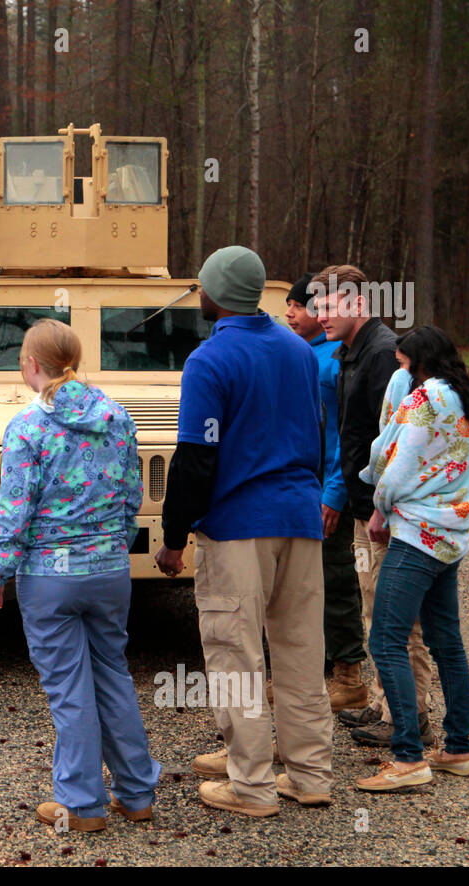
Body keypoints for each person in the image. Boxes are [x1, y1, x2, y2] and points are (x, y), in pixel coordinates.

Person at [155, 246, 333, 817]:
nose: (197, 295)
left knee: (236, 654)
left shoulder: (209, 361)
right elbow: (314, 431)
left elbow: (196, 458)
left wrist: (174, 535)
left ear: (215, 295)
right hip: (300, 519)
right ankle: (310, 775)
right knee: (302, 651)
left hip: (237, 526)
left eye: (201, 286)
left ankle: (251, 784)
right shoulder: (300, 350)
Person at [0, 319, 160, 832]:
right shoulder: (118, 416)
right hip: (108, 570)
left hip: (50, 576)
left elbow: (14, 510)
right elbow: (132, 496)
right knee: (113, 674)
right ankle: (137, 793)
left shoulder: (27, 428)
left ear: (31, 365)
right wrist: (114, 547)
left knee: (69, 687)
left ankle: (80, 804)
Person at [354, 327, 469, 791]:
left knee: (386, 640)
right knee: (445, 640)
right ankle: (458, 748)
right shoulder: (461, 395)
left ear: (416, 361)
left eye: (401, 361)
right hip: (451, 534)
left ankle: (408, 756)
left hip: (416, 534)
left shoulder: (424, 397)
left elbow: (394, 460)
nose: (399, 369)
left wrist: (379, 505)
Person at [313, 265, 435, 747]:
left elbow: (403, 439)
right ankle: (386, 705)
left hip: (391, 512)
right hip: (368, 509)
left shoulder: (385, 355)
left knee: (397, 617)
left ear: (357, 304)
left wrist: (386, 508)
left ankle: (412, 716)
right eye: (318, 305)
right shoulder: (349, 353)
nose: (322, 314)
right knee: (374, 610)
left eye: (330, 305)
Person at [284, 273, 367, 712]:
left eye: (309, 306)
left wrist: (333, 493)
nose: (295, 313)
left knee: (336, 577)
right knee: (303, 583)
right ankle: (314, 668)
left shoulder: (336, 359)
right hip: (303, 486)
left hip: (328, 489)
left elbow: (344, 435)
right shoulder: (306, 353)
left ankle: (349, 675)